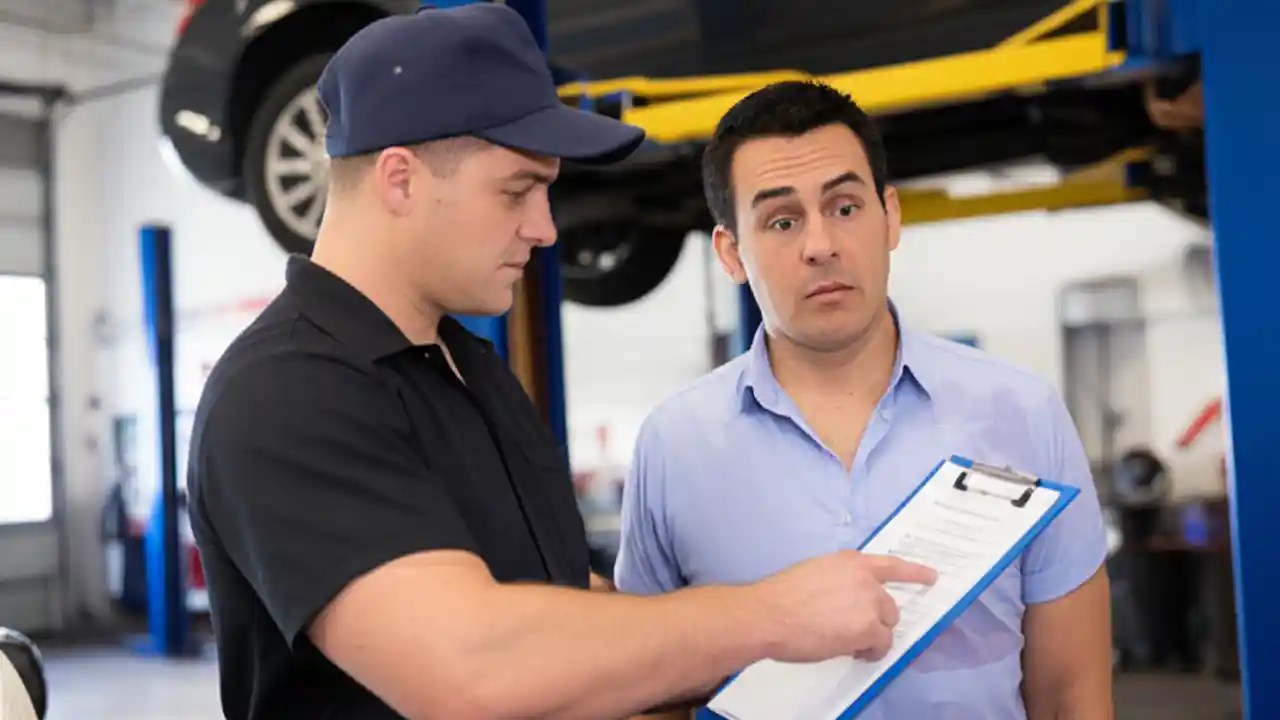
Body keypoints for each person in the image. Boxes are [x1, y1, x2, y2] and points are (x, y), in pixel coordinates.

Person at [186, 7, 937, 720]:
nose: (545, 228)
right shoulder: (285, 396)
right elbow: (468, 669)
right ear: (400, 178)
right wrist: (770, 615)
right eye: (519, 191)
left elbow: (553, 597)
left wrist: (771, 654)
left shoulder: (466, 370)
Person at [615, 80, 1114, 720]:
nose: (820, 244)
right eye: (782, 220)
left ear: (891, 216)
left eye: (845, 208)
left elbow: (1073, 691)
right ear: (731, 253)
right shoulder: (674, 444)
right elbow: (649, 690)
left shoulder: (1020, 412)